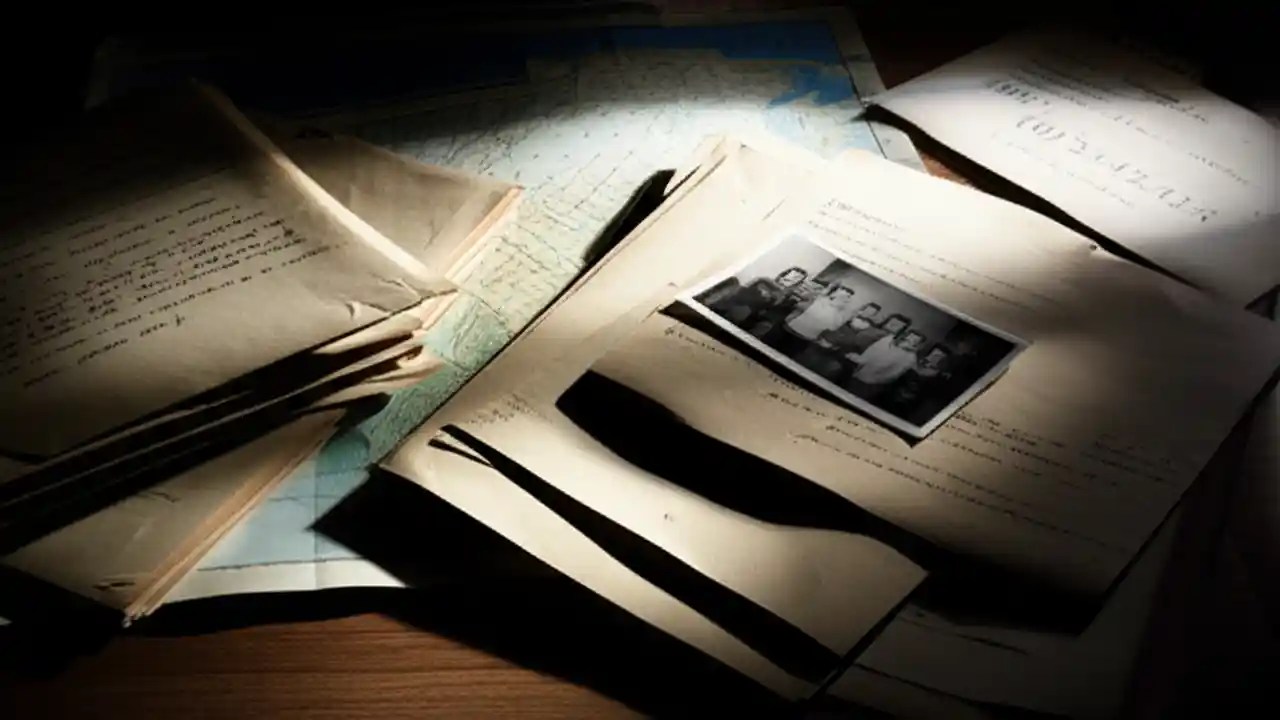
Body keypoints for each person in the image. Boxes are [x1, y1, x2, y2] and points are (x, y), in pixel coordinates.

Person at [792, 302, 882, 381]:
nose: (866, 315)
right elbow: (827, 330)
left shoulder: (866, 334)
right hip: (817, 348)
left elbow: (856, 349)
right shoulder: (845, 318)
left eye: (871, 313)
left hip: (835, 358)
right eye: (867, 311)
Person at [698, 266, 808, 329]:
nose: (793, 279)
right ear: (785, 274)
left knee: (743, 311)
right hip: (737, 297)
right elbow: (745, 287)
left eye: (797, 278)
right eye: (792, 275)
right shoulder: (764, 279)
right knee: (733, 282)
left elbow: (770, 306)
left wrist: (785, 293)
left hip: (746, 309)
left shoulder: (783, 295)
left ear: (798, 282)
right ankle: (706, 303)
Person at [772, 283, 858, 358]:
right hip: (795, 331)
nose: (846, 298)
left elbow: (832, 327)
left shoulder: (838, 310)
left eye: (847, 296)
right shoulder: (822, 300)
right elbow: (800, 304)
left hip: (800, 335)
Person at [845, 330, 927, 400]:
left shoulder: (910, 357)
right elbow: (872, 349)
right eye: (911, 336)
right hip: (860, 370)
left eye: (915, 340)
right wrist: (861, 361)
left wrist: (876, 379)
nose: (911, 339)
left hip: (874, 382)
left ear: (918, 344)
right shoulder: (888, 340)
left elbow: (894, 374)